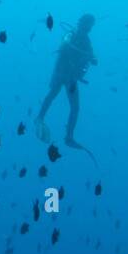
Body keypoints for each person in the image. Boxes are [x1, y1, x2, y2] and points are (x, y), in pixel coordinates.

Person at [35, 14, 97, 153]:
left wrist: (93, 58)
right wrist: (85, 53)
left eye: (90, 25)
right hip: (61, 73)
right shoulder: (70, 34)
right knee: (51, 95)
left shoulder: (87, 41)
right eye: (87, 24)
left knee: (75, 108)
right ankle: (39, 117)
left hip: (72, 78)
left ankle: (69, 136)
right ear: (82, 24)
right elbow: (64, 44)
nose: (88, 28)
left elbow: (93, 56)